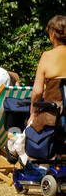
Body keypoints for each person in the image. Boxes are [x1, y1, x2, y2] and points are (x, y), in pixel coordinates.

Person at [27, 13, 66, 161]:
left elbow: (37, 92)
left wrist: (33, 113)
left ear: (52, 34)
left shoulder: (47, 56)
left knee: (29, 125)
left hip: (53, 117)